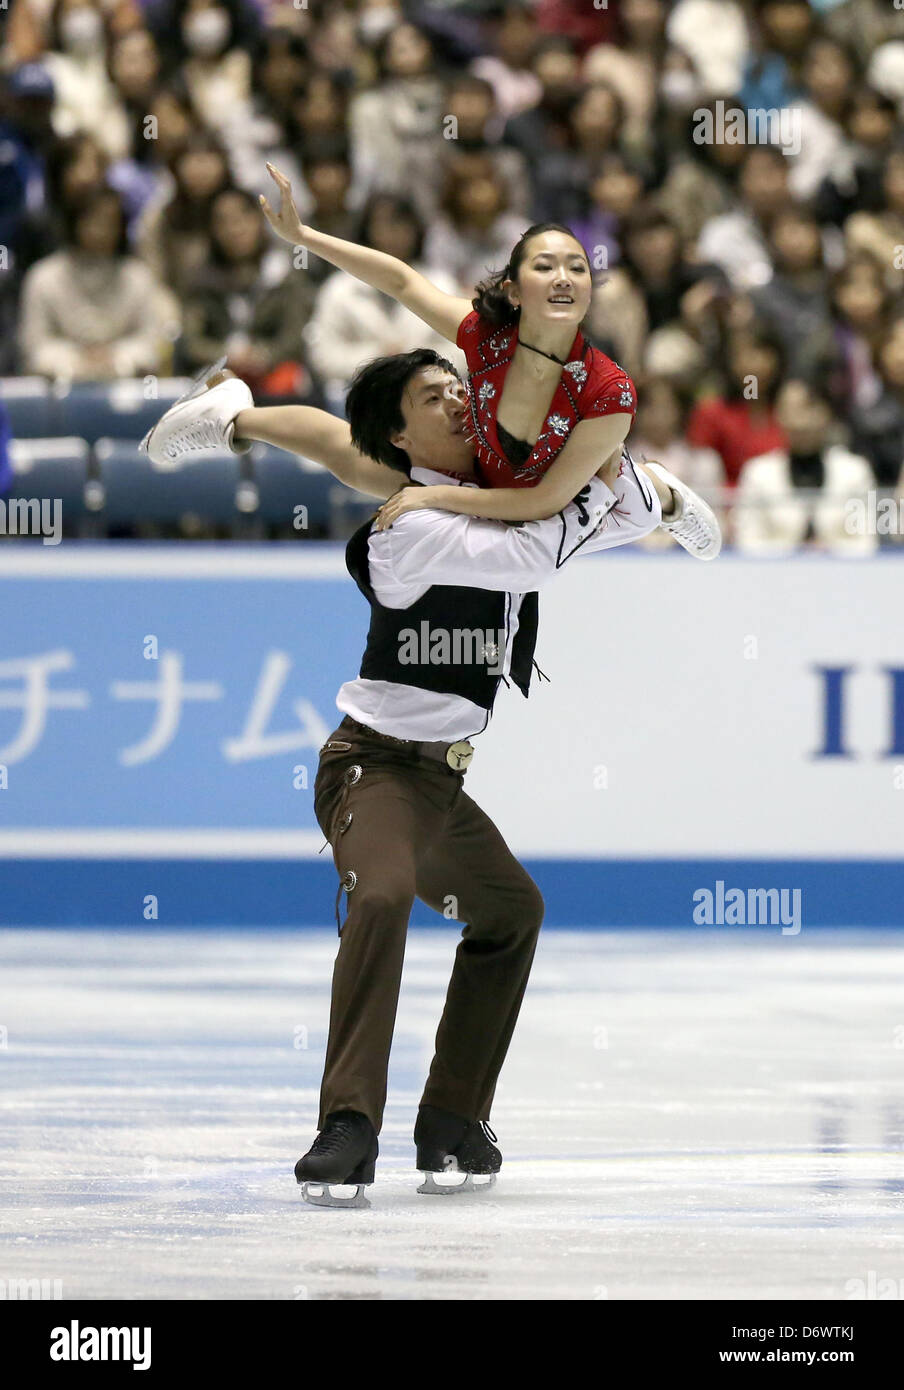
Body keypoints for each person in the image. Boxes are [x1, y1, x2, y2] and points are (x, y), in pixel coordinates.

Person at [142, 348, 666, 1203]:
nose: (459, 400)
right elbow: (535, 556)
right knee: (382, 895)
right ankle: (347, 1126)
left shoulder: (495, 495)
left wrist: (609, 466)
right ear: (398, 434)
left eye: (461, 387)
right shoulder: (406, 526)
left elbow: (631, 510)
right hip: (371, 771)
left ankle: (453, 1122)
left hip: (441, 789)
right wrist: (585, 478)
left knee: (512, 911)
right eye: (434, 396)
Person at [258, 164, 720, 559]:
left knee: (623, 511)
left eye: (576, 267)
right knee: (357, 460)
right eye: (545, 267)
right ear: (515, 292)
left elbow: (542, 502)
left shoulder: (608, 390)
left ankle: (663, 495)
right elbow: (401, 282)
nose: (563, 278)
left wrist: (431, 496)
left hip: (574, 505)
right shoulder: (486, 335)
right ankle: (233, 418)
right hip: (485, 475)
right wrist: (304, 236)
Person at [735, 378, 876, 555]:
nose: (799, 422)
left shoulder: (855, 471)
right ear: (777, 416)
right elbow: (747, 544)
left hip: (844, 576)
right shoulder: (757, 473)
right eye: (790, 411)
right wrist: (795, 554)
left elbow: (866, 543)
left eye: (808, 408)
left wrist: (828, 552)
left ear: (827, 413)